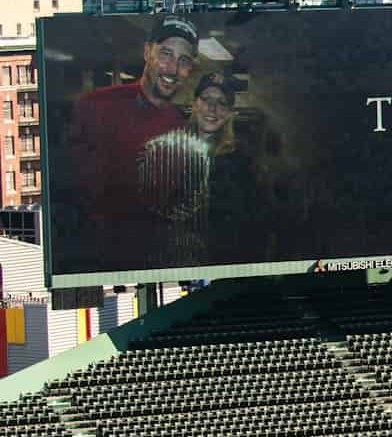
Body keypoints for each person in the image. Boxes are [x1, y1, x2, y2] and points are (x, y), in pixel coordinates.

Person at [67, 17, 199, 267]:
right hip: (99, 257)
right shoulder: (96, 106)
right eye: (166, 54)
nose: (172, 69)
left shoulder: (183, 129)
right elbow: (75, 192)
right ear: (147, 52)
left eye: (183, 61)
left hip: (159, 256)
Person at [140, 71, 259, 266]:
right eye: (207, 99)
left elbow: (248, 228)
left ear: (229, 112)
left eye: (222, 103)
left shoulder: (241, 163)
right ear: (195, 104)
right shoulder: (169, 149)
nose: (212, 109)